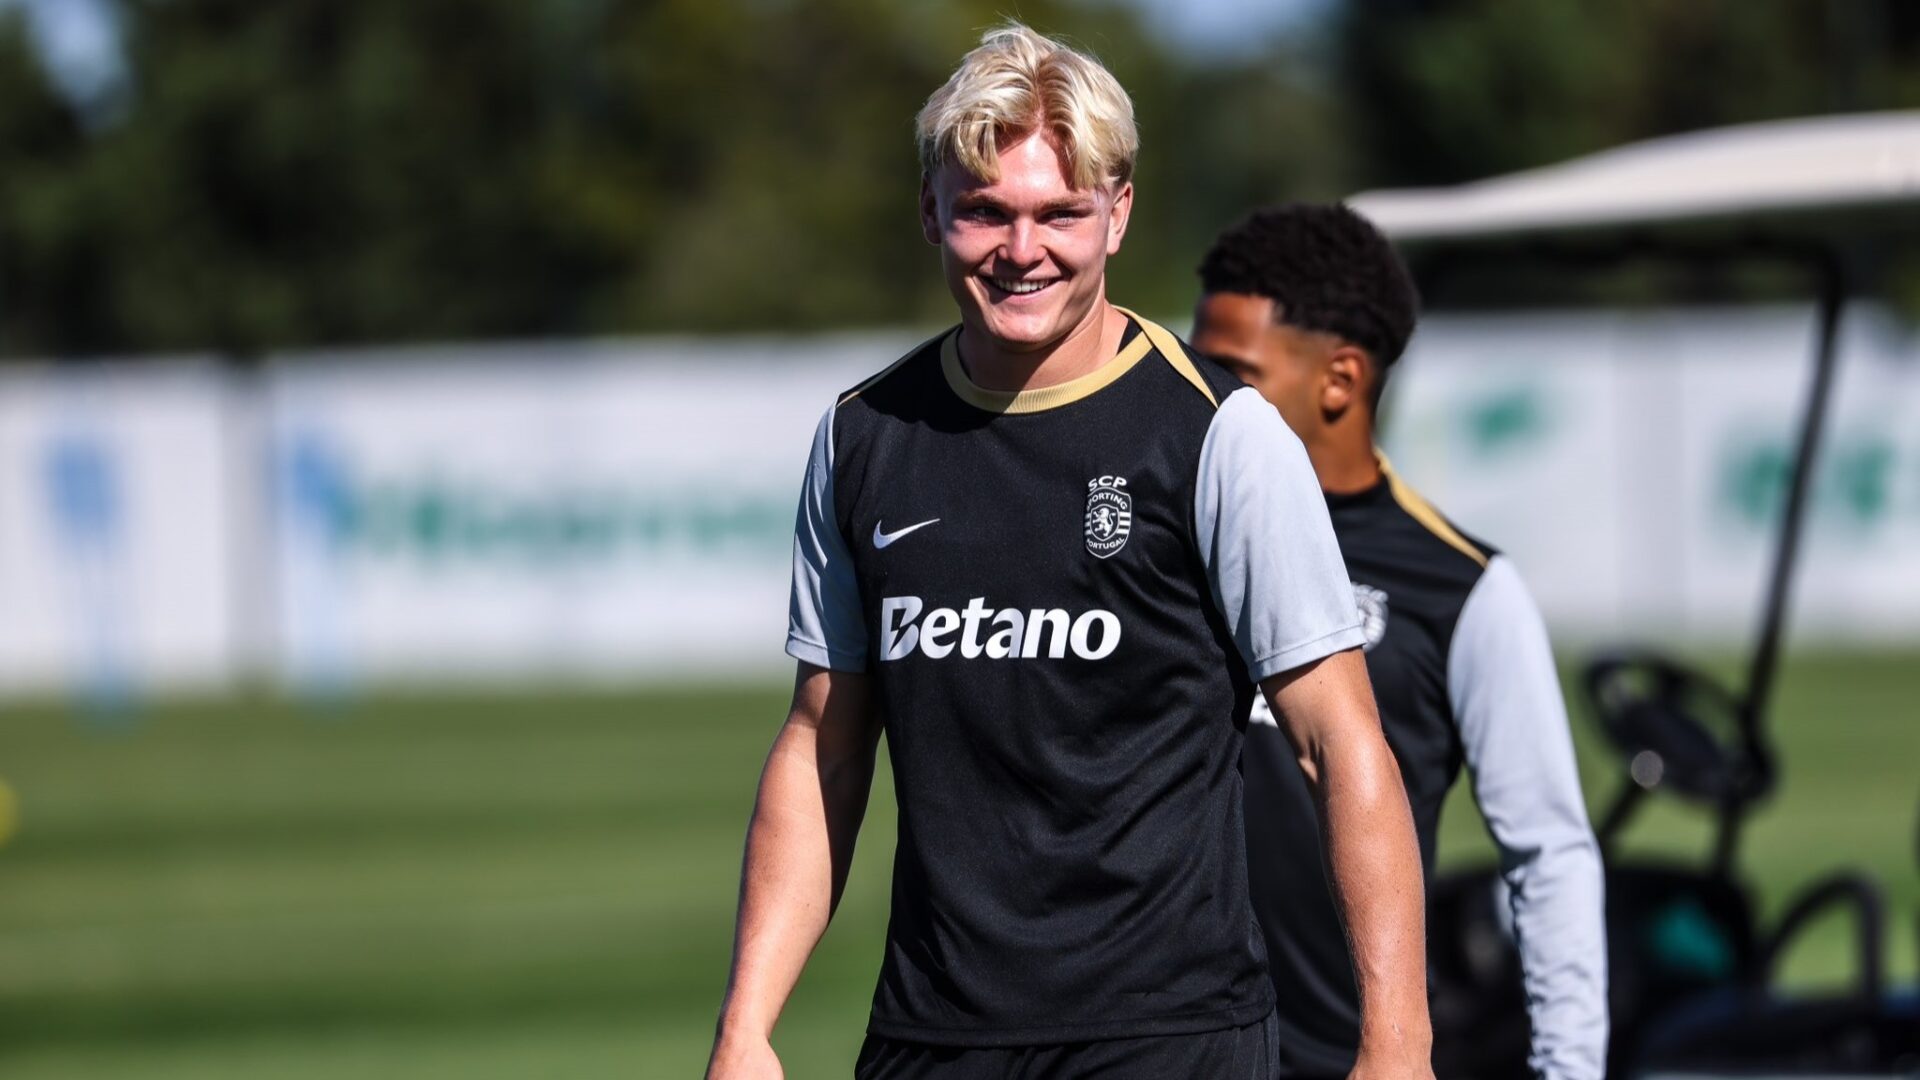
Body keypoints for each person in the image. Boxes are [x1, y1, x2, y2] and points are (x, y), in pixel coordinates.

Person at [706, 26, 1436, 1080]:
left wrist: (1397, 1043)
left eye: (1060, 213)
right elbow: (823, 741)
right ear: (930, 211)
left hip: (1168, 1039)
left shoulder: (1218, 436)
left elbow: (1341, 741)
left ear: (1118, 213)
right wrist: (745, 1030)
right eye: (985, 212)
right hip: (931, 1040)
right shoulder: (864, 437)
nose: (1022, 249)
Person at [1191, 203, 1608, 1080]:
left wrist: (1569, 1070)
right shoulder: (1165, 540)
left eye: (1232, 374)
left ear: (1339, 380)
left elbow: (1547, 851)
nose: (1204, 401)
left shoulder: (1464, 588)